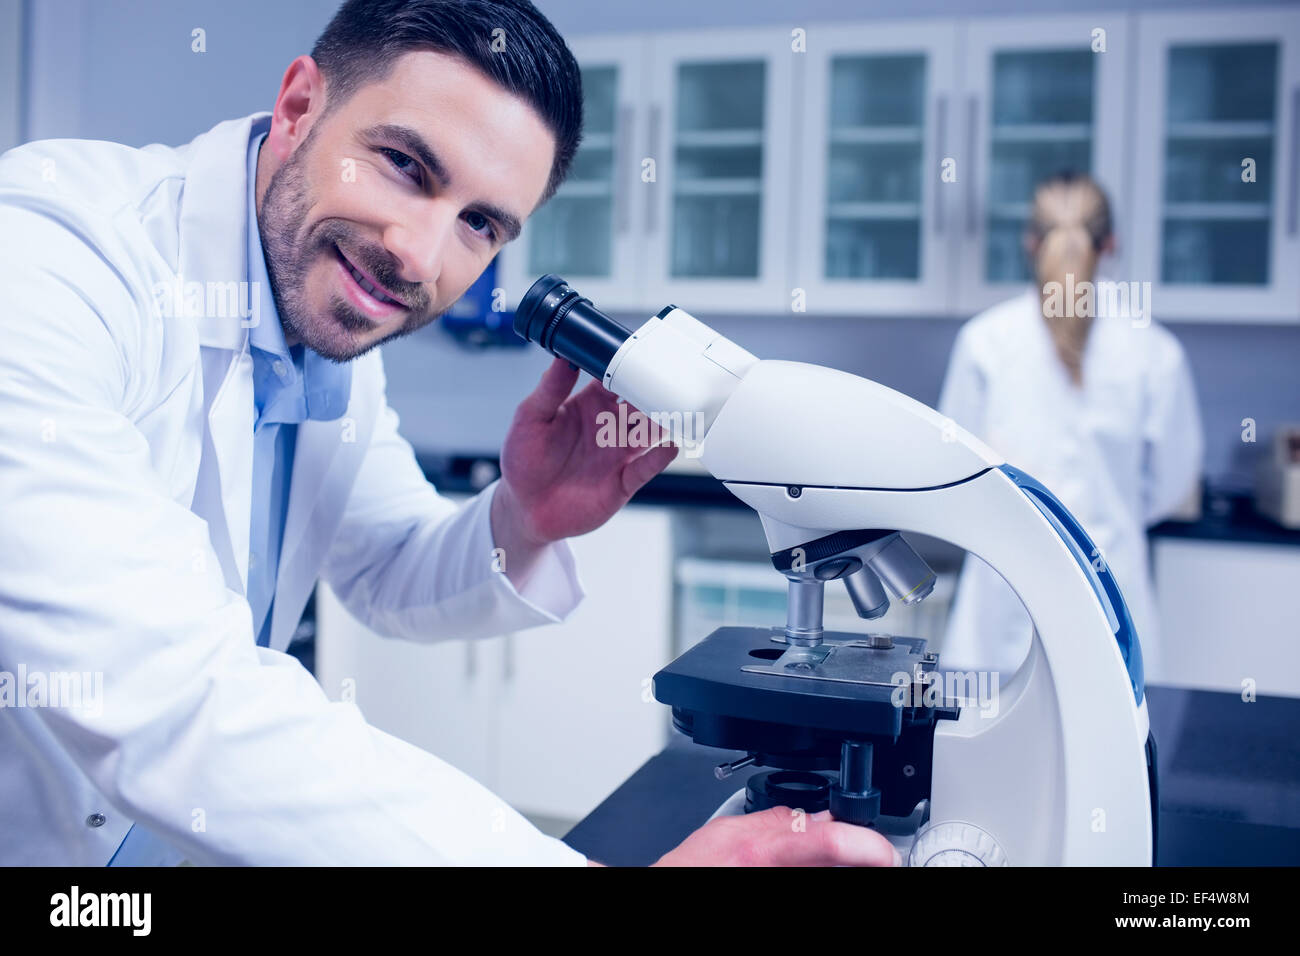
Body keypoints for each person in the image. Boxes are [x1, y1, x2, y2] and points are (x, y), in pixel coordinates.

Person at [0, 0, 896, 867]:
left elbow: (387, 565)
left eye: (479, 223)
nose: (420, 257)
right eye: (402, 164)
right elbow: (170, 696)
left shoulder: (329, 319)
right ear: (300, 105)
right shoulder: (54, 261)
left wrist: (524, 518)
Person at [937, 171, 1203, 681]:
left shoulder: (985, 342)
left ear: (1029, 242)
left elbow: (954, 472)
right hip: (1113, 598)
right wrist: (1109, 513)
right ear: (1111, 245)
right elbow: (1169, 486)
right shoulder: (1156, 351)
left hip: (1001, 602)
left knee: (991, 758)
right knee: (1110, 754)